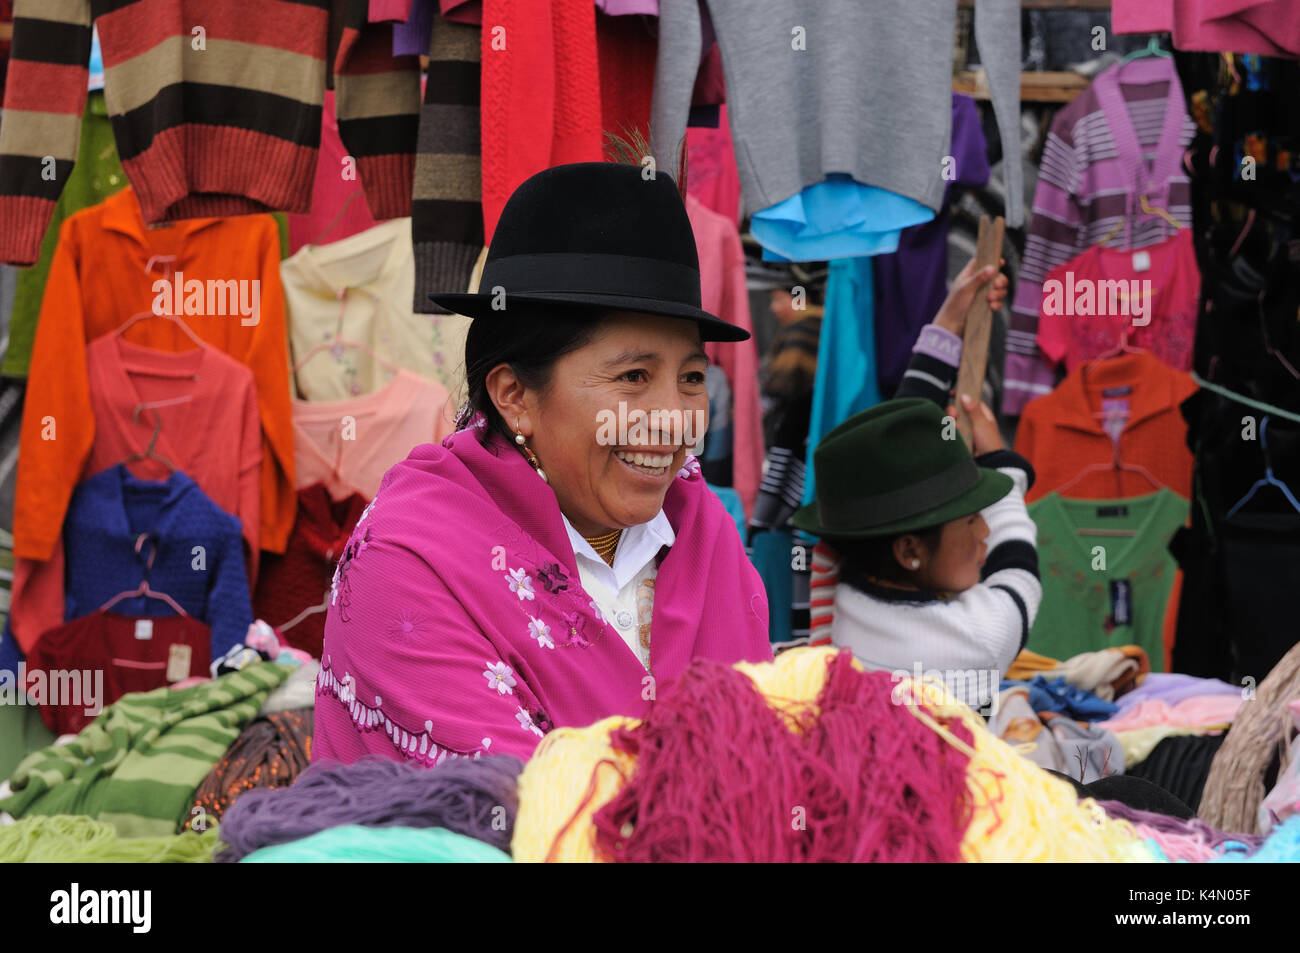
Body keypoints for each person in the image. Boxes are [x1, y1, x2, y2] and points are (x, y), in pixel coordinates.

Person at [313, 162, 773, 765]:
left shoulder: (701, 531)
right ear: (515, 396)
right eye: (633, 376)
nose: (674, 418)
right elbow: (528, 814)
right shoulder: (410, 563)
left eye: (691, 378)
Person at [797, 259, 1042, 715]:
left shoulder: (841, 579)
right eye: (972, 520)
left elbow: (894, 453)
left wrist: (949, 323)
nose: (984, 533)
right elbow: (1019, 568)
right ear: (909, 550)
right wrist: (1002, 465)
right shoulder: (979, 636)